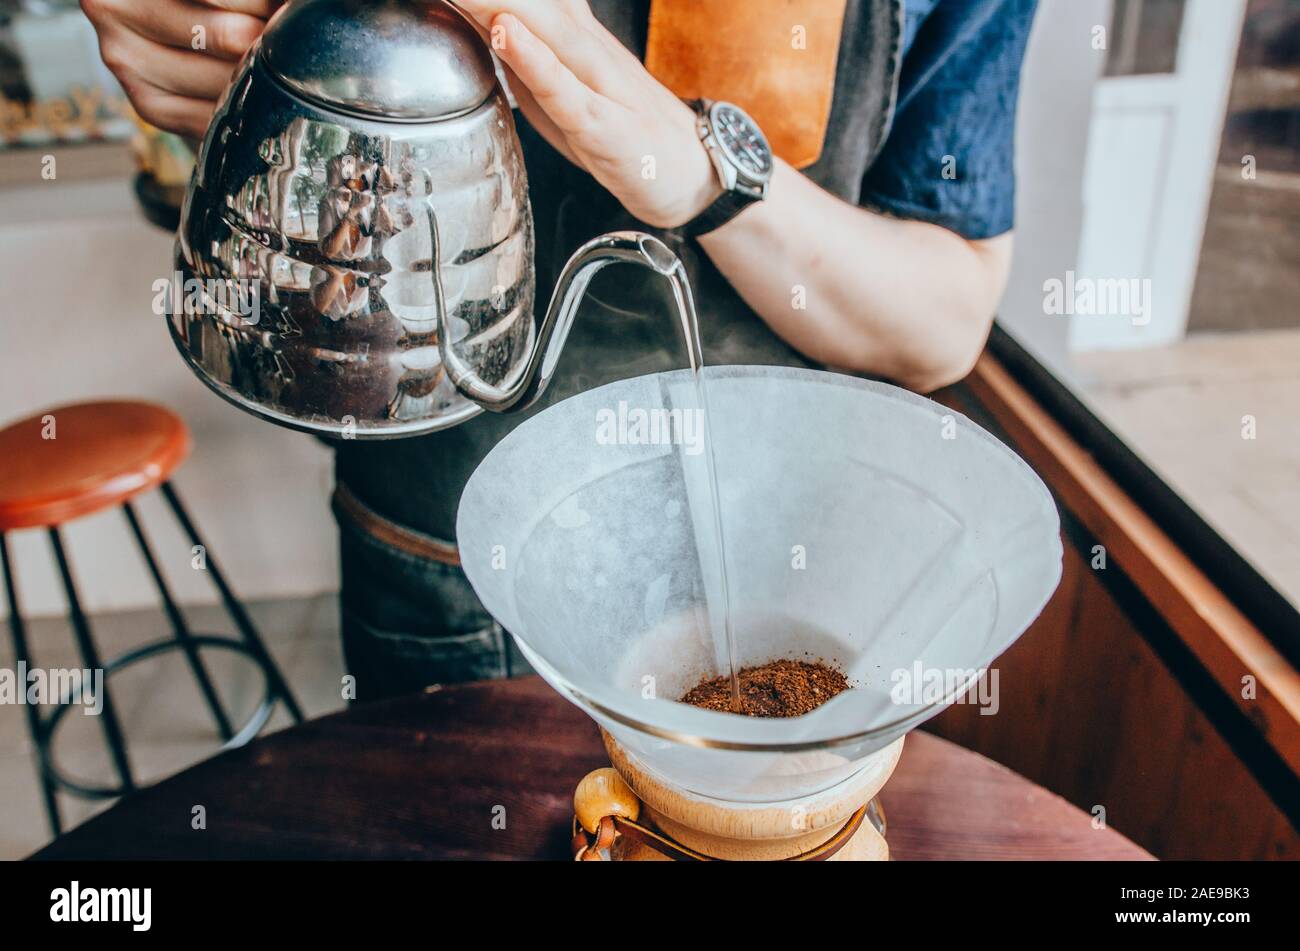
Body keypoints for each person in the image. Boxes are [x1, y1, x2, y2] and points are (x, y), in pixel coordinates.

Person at [82, 0, 1038, 699]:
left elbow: (943, 324)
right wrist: (203, 36)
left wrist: (703, 172)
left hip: (792, 572)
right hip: (452, 564)